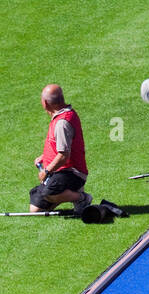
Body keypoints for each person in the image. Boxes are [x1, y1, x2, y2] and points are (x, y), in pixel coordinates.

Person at [30, 83, 92, 215]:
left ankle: (82, 198)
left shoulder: (62, 123)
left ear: (45, 103)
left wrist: (46, 171)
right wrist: (44, 156)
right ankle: (66, 193)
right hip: (60, 172)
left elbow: (64, 156)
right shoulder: (63, 115)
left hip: (72, 172)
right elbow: (61, 145)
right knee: (35, 210)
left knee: (50, 193)